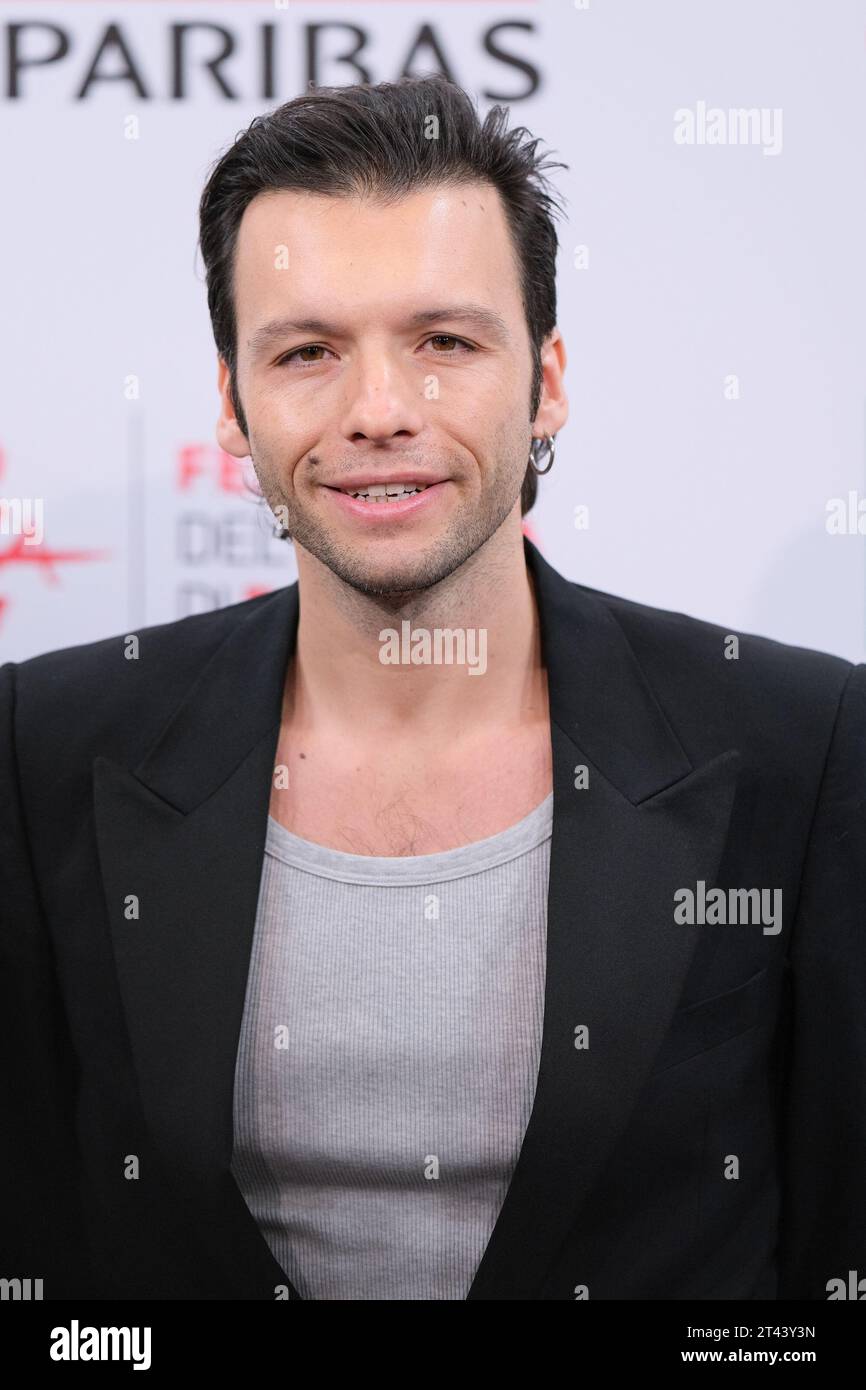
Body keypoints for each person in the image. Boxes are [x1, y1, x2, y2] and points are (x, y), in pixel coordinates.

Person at [1, 75, 863, 1301]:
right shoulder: (48, 745)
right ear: (231, 407)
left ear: (546, 379)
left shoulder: (800, 741)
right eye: (306, 352)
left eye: (444, 343)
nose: (378, 412)